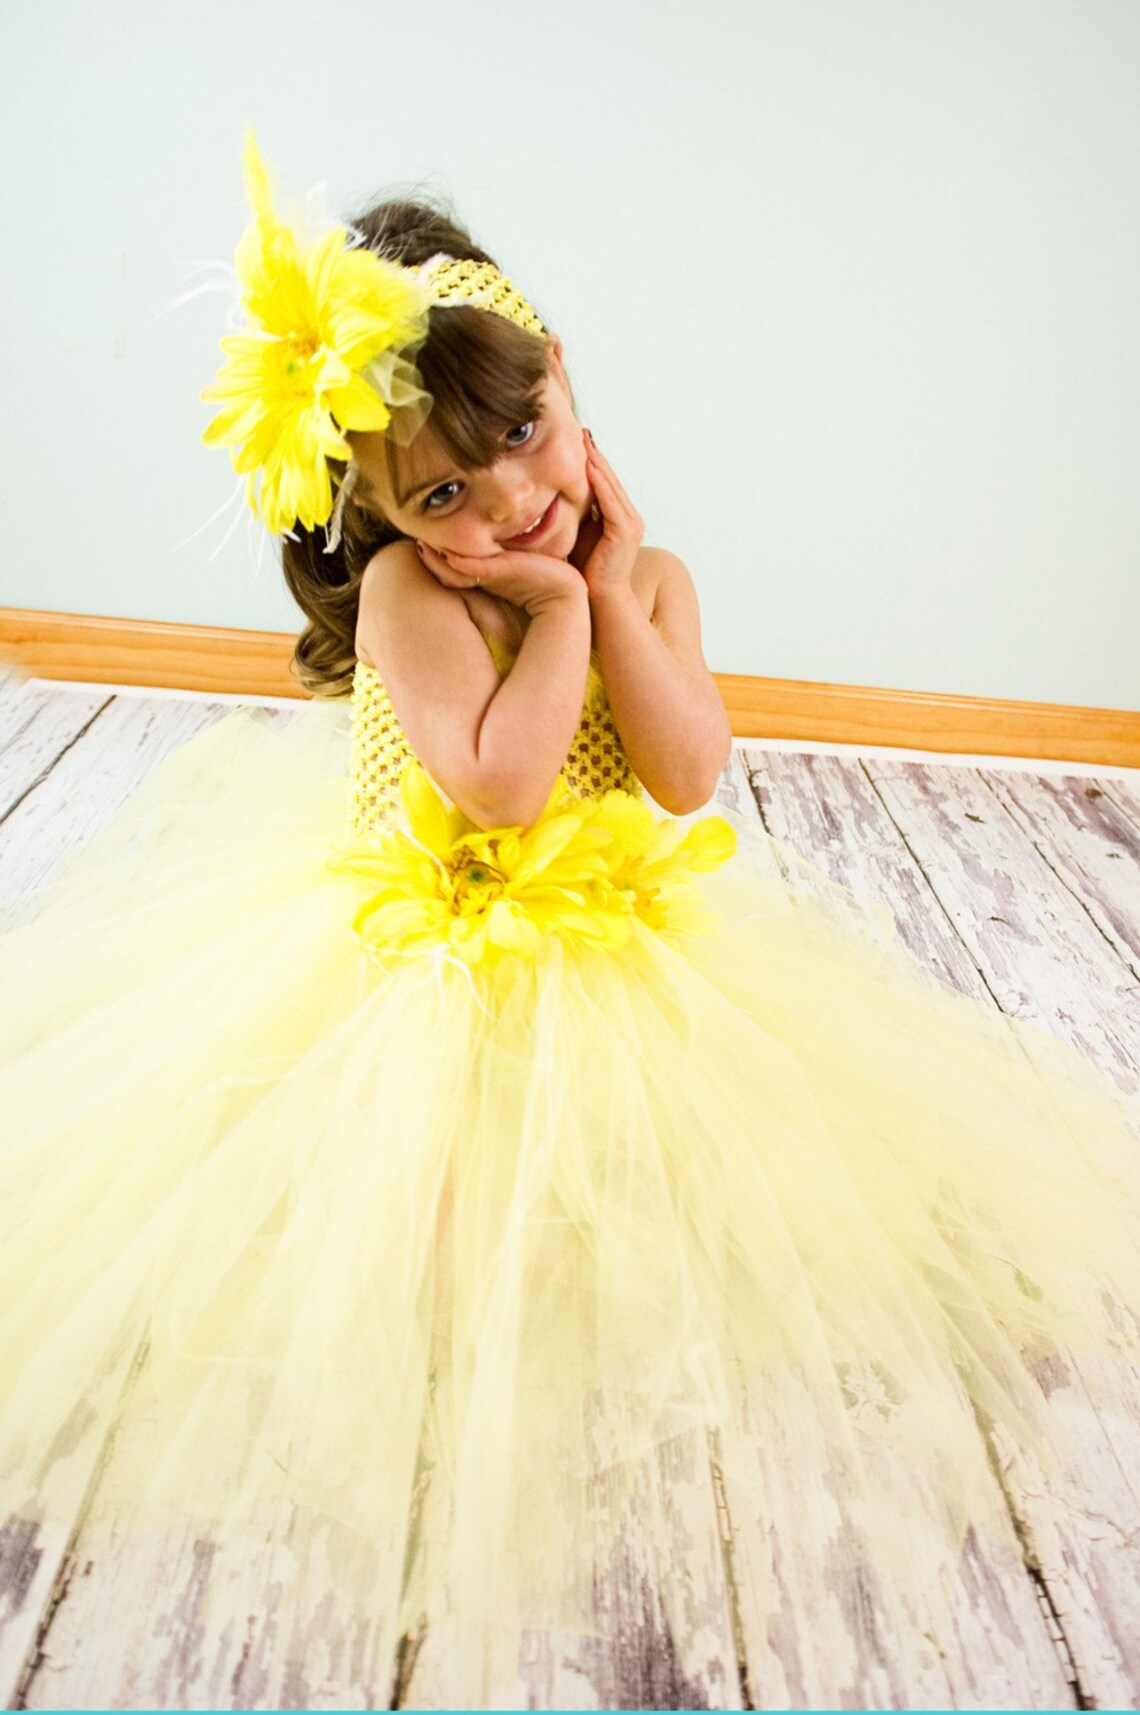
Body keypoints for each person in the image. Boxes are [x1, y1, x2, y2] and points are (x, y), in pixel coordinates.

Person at [2, 134, 1138, 1702]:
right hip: (437, 945)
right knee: (425, 1219)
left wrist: (610, 600)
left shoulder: (645, 574)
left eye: (527, 431)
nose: (518, 498)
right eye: (448, 491)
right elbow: (505, 789)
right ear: (388, 521)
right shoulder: (422, 599)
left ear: (565, 378)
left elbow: (683, 773)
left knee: (682, 1200)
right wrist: (543, 613)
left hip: (613, 939)